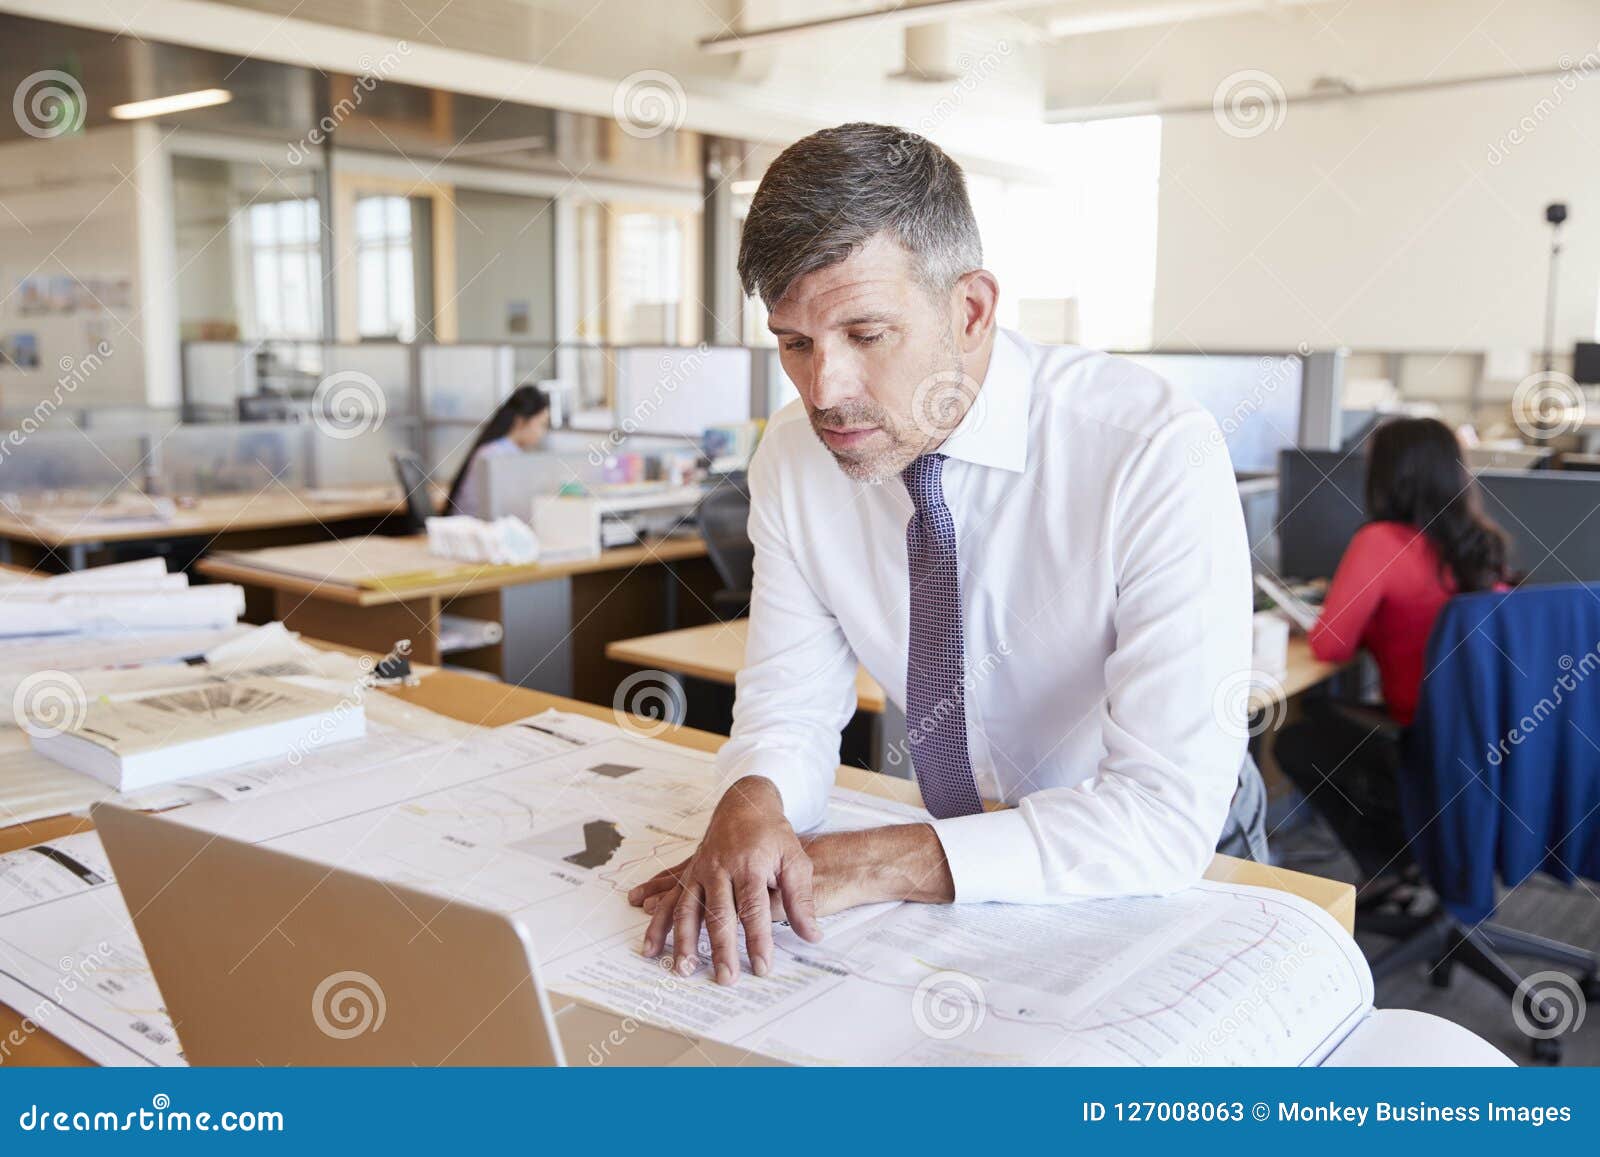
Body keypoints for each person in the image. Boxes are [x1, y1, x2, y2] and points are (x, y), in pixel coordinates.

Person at [625, 123, 1256, 986]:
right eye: (795, 343)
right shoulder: (794, 462)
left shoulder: (1147, 447)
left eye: (866, 333)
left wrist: (864, 861)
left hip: (1159, 867)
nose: (824, 390)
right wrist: (752, 803)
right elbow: (790, 712)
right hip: (959, 878)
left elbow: (1161, 815)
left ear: (969, 310)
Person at [1274, 416, 1513, 885]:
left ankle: (1395, 859)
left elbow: (1328, 645)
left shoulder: (1381, 542)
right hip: (1497, 751)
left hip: (1429, 747)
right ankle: (1416, 857)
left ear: (1384, 476)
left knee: (1299, 738)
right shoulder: (1482, 542)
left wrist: (1346, 616)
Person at [444, 385, 551, 518]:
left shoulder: (506, 452)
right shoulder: (495, 455)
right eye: (542, 424)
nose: (543, 433)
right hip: (472, 529)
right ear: (521, 421)